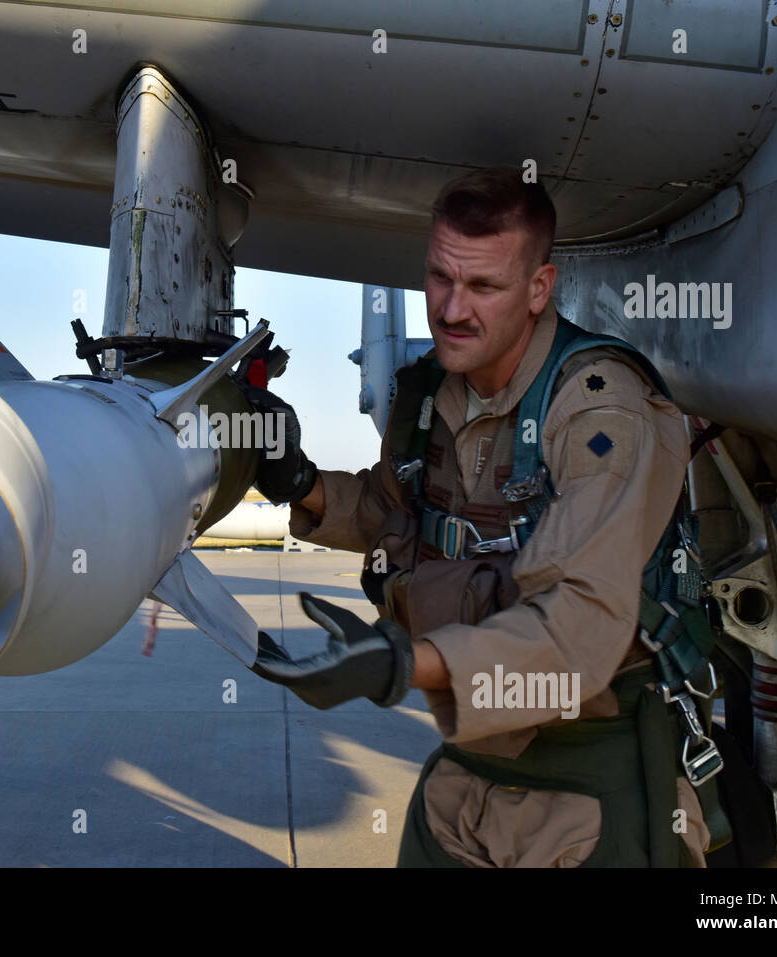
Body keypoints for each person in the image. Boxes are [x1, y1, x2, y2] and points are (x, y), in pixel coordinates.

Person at [246, 167, 711, 867]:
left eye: (483, 287)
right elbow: (390, 509)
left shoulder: (600, 409)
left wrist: (403, 663)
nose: (451, 309)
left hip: (592, 779)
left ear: (538, 289)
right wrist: (298, 480)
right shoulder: (433, 393)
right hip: (469, 770)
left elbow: (576, 628)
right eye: (439, 278)